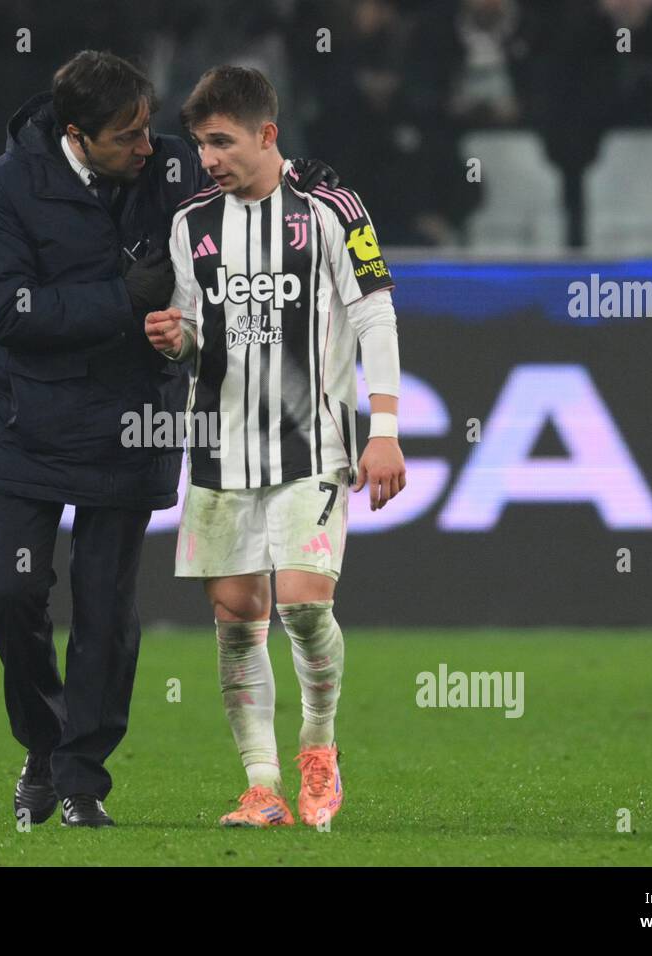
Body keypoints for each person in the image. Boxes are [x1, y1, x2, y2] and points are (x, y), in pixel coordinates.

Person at [0, 51, 340, 828]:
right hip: (23, 426)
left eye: (150, 129)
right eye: (129, 137)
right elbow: (9, 313)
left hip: (131, 420)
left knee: (104, 606)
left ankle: (79, 779)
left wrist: (307, 174)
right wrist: (123, 298)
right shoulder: (5, 188)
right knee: (16, 594)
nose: (151, 149)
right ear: (77, 136)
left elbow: (248, 163)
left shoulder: (169, 169)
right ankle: (42, 743)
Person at [144, 65, 406, 827]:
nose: (209, 159)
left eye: (222, 142)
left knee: (303, 607)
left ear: (268, 134)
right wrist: (174, 337)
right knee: (235, 618)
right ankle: (261, 787)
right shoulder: (190, 221)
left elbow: (375, 318)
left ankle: (318, 751)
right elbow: (195, 332)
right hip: (221, 450)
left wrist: (382, 432)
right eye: (200, 145)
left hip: (312, 448)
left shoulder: (332, 208)